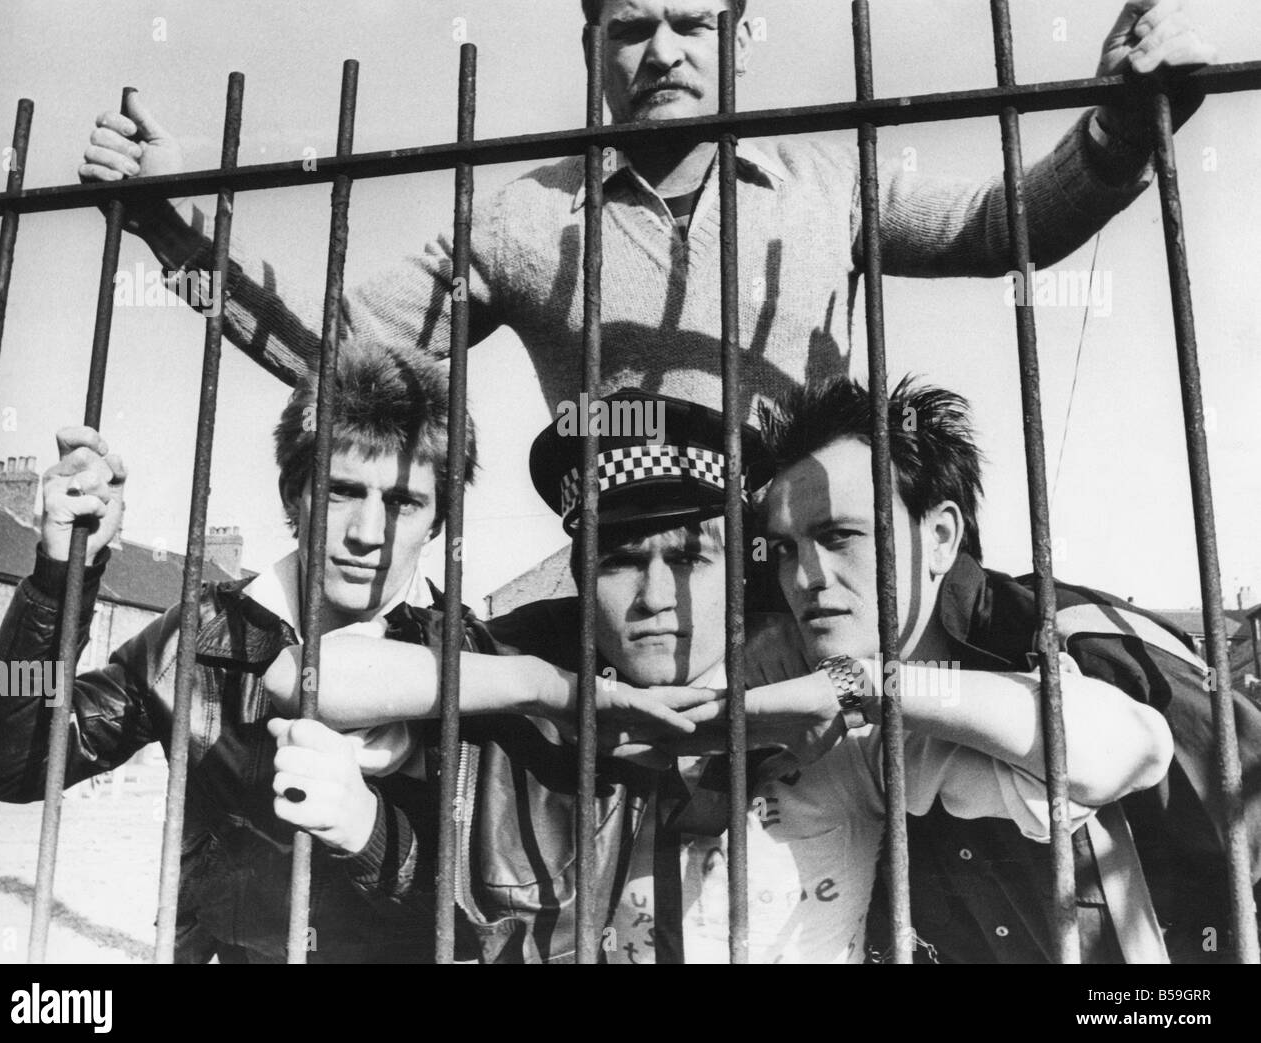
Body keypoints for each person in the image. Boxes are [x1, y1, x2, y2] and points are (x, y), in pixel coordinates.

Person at [76, 0, 1214, 418]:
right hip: (615, 613)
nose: (662, 49)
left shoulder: (832, 185)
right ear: (593, 51)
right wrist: (173, 233)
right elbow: (337, 355)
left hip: (805, 596)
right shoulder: (521, 221)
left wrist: (1117, 132)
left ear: (737, 42)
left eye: (691, 24)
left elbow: (997, 229)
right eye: (630, 29)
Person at [265, 388, 1171, 963]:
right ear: (584, 577)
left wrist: (869, 686)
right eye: (621, 560)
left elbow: (1112, 751)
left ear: (738, 567)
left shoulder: (827, 714)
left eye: (691, 556)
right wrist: (559, 692)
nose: (657, 595)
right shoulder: (533, 683)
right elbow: (304, 676)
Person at [0, 342, 698, 963]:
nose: (366, 532)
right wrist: (58, 578)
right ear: (295, 493)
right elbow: (12, 764)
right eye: (343, 491)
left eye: (403, 501)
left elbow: (491, 925)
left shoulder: (482, 664)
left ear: (438, 520)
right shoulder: (195, 640)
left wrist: (371, 834)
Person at [756, 374, 1261, 963]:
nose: (804, 578)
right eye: (786, 549)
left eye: (839, 536)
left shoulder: (1084, 645)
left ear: (940, 537)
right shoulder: (821, 691)